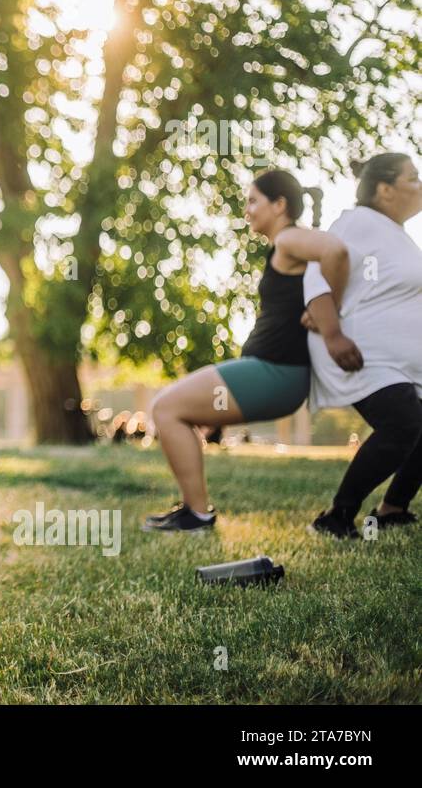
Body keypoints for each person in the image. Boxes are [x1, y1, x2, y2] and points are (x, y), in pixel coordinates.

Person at [143, 169, 357, 531]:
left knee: (165, 408)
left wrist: (328, 314)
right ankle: (195, 510)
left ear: (279, 205)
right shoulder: (283, 245)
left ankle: (196, 514)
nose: (247, 210)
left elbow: (336, 250)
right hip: (270, 371)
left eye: (253, 201)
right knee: (172, 410)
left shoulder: (289, 238)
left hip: (277, 373)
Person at [302, 152, 422, 537]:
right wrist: (332, 333)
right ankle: (336, 517)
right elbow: (316, 272)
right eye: (413, 178)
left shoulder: (396, 236)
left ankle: (392, 509)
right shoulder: (357, 221)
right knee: (403, 421)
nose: (420, 185)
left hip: (396, 361)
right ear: (385, 189)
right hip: (356, 352)